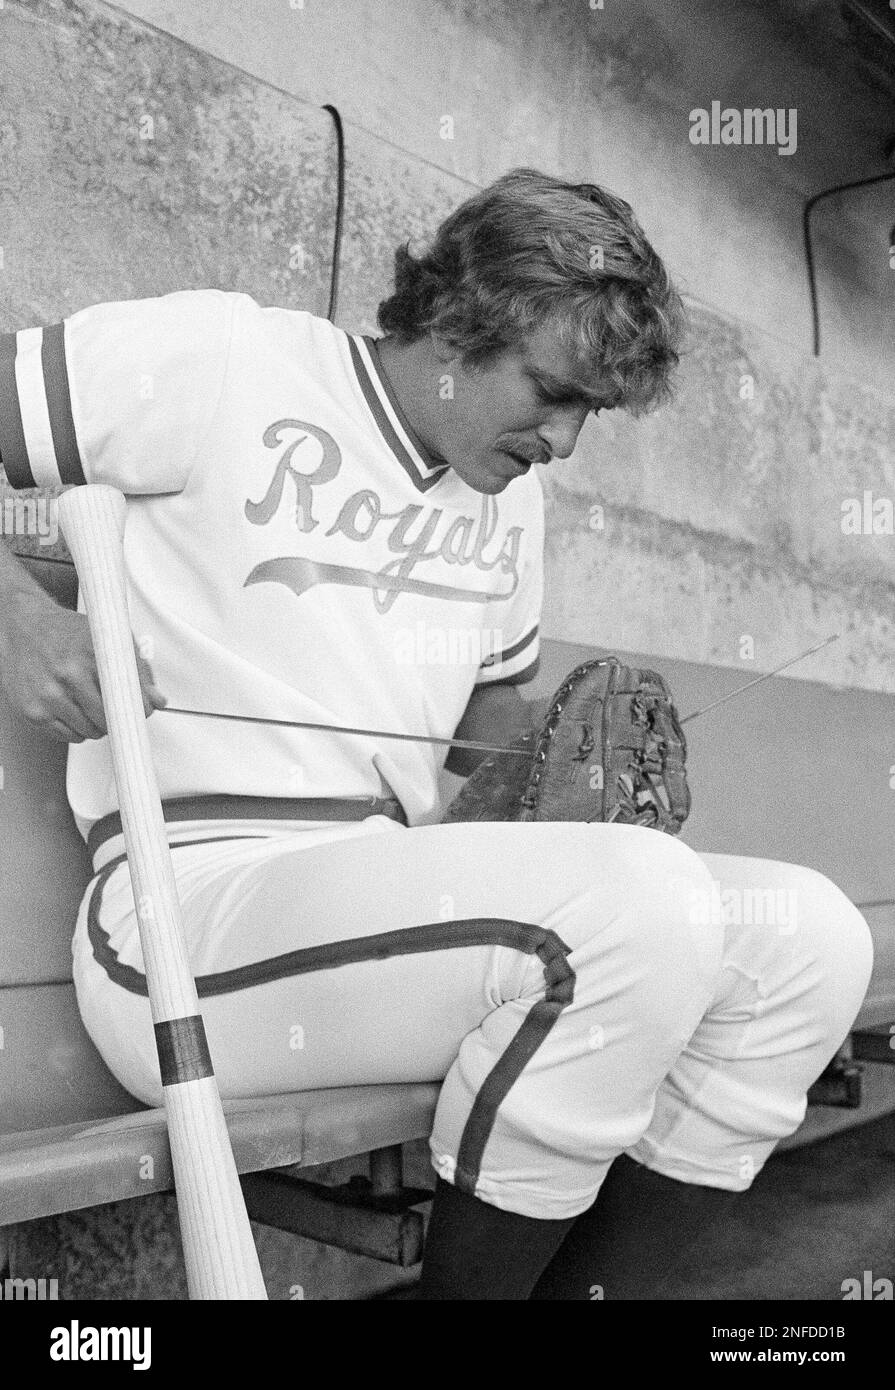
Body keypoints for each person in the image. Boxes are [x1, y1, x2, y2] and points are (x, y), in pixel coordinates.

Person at [0, 169, 872, 1299]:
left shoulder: (510, 501)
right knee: (636, 908)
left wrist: (566, 786)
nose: (564, 438)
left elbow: (484, 739)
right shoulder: (229, 361)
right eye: (553, 391)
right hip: (182, 915)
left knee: (807, 943)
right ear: (465, 320)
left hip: (379, 904)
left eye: (590, 414)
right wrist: (17, 614)